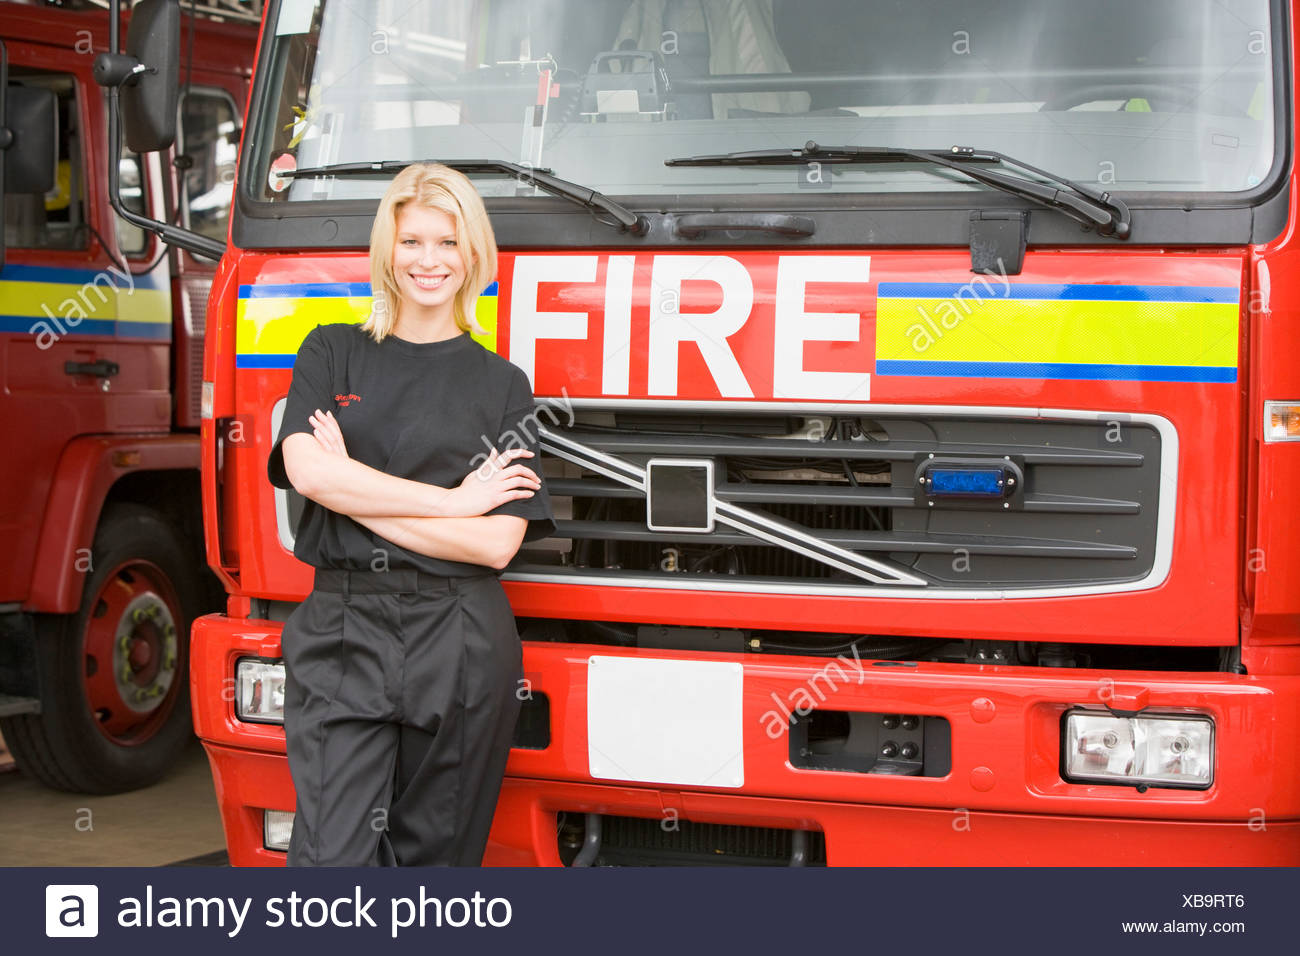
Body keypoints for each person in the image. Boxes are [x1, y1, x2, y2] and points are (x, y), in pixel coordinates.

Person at [266, 162, 555, 866]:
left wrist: (351, 489)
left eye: (448, 243)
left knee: (437, 862)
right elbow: (305, 470)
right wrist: (453, 503)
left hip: (459, 637)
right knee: (331, 861)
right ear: (386, 252)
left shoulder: (504, 387)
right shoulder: (331, 350)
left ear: (473, 254)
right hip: (342, 630)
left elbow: (494, 546)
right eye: (413, 241)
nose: (430, 261)